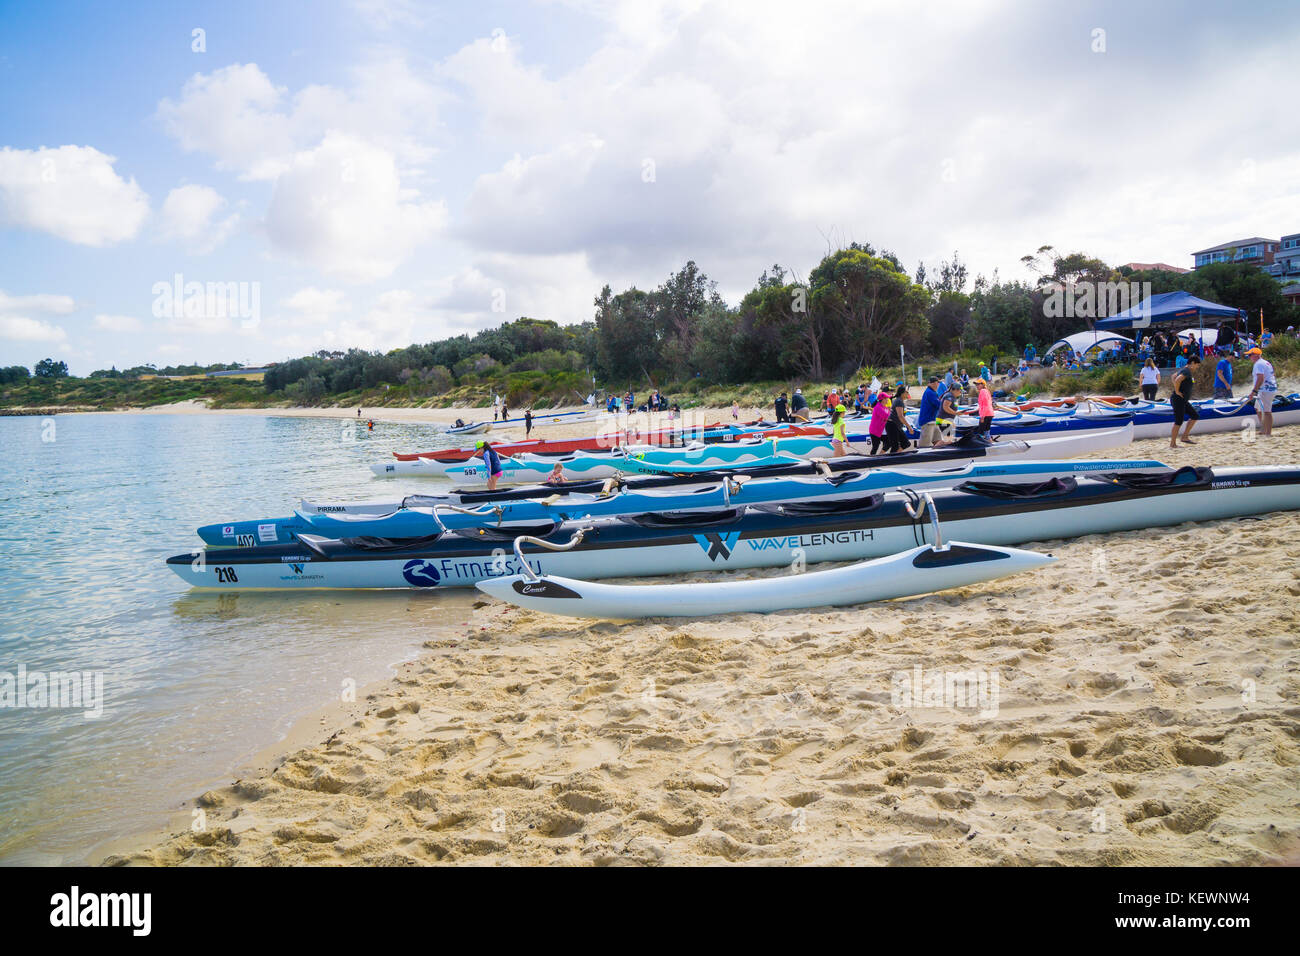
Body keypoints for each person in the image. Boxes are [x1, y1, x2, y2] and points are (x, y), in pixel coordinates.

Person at [1169, 355, 1200, 447]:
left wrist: (1177, 388)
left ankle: (1185, 437)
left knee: (1195, 415)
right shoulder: (1186, 371)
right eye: (1197, 365)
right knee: (1179, 421)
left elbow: (1173, 376)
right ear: (1192, 363)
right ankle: (1173, 443)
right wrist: (1177, 391)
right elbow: (1177, 379)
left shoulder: (1185, 370)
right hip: (1178, 399)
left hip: (1183, 400)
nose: (1197, 367)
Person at [1246, 346, 1277, 437]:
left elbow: (1260, 378)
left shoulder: (1258, 364)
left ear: (1255, 355)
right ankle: (1264, 429)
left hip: (1266, 390)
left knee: (1267, 412)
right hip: (1266, 389)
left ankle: (1268, 433)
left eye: (1250, 355)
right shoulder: (1265, 362)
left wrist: (1254, 391)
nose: (1249, 357)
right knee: (1258, 409)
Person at [917, 377, 942, 448]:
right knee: (924, 445)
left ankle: (940, 457)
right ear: (934, 383)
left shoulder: (931, 392)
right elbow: (938, 405)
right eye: (938, 383)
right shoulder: (930, 392)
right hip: (928, 421)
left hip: (932, 421)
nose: (938, 385)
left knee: (939, 442)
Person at [886, 383, 912, 453]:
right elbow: (900, 416)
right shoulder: (899, 401)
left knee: (906, 443)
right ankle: (891, 460)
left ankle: (896, 456)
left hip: (896, 425)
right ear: (902, 393)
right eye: (907, 392)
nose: (908, 394)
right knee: (895, 446)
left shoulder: (899, 401)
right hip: (892, 425)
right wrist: (909, 427)